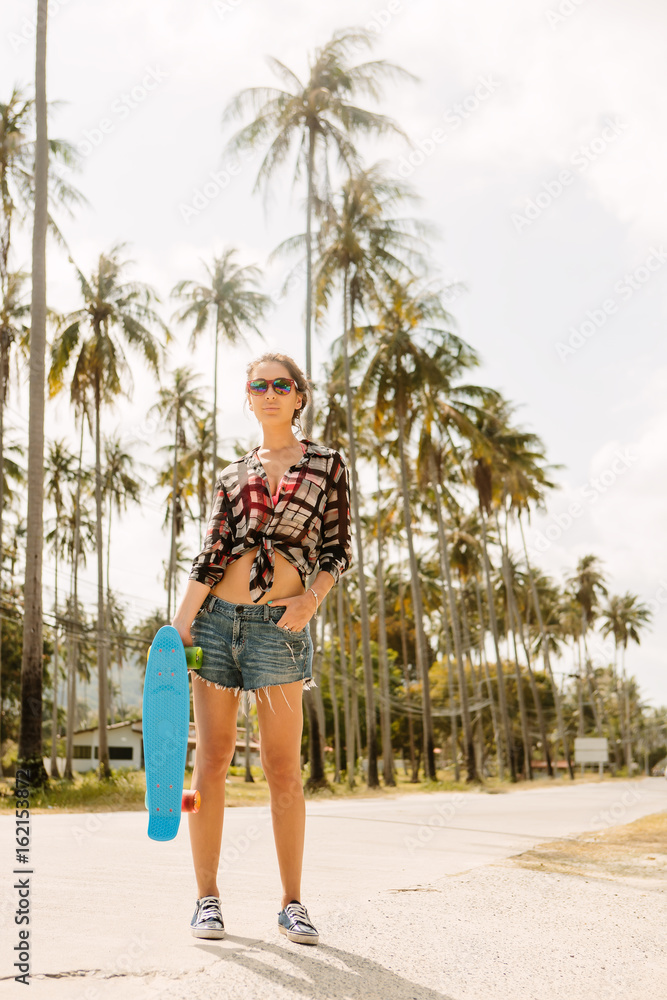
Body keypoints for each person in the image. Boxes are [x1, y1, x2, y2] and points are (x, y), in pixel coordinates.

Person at [171, 351, 352, 946]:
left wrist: (310, 601)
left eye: (281, 384)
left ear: (299, 395)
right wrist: (182, 623)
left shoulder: (327, 464)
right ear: (248, 397)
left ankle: (292, 903)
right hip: (218, 623)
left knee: (282, 770)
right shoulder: (231, 473)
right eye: (259, 385)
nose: (270, 393)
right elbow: (212, 552)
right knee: (212, 762)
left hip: (282, 626)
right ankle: (206, 898)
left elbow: (337, 548)